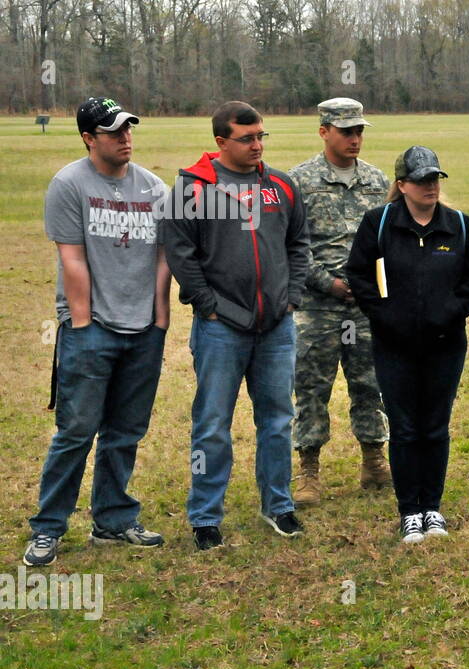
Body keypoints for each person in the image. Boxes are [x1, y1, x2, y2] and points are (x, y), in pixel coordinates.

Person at [24, 97, 171, 567]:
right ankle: (48, 527)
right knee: (77, 430)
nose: (125, 138)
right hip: (92, 329)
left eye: (128, 129)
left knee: (126, 431)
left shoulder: (153, 188)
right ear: (89, 139)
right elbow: (72, 257)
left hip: (145, 328)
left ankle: (113, 519)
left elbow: (166, 256)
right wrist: (84, 324)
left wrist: (160, 315)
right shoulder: (69, 184)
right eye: (113, 132)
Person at [162, 101, 309, 551]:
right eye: (247, 138)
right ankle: (205, 516)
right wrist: (206, 305)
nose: (257, 146)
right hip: (220, 328)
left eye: (262, 136)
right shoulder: (193, 189)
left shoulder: (281, 186)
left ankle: (278, 504)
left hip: (275, 329)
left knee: (278, 420)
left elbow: (298, 243)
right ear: (221, 142)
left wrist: (292, 297)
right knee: (211, 424)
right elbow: (180, 253)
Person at [345, 147, 469, 543]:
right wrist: (385, 315)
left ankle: (433, 508)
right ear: (402, 185)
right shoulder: (379, 223)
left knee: (435, 427)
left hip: (445, 345)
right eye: (421, 180)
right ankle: (410, 511)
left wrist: (451, 312)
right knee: (406, 429)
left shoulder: (460, 226)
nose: (430, 186)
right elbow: (358, 274)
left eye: (435, 179)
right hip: (395, 346)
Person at [288, 98, 391, 505]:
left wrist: (370, 287)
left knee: (370, 384)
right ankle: (308, 472)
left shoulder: (378, 182)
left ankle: (374, 460)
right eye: (346, 131)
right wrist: (326, 283)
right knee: (312, 387)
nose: (355, 138)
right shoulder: (299, 182)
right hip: (318, 307)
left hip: (366, 307)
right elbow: (293, 246)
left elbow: (387, 244)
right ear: (324, 131)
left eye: (359, 130)